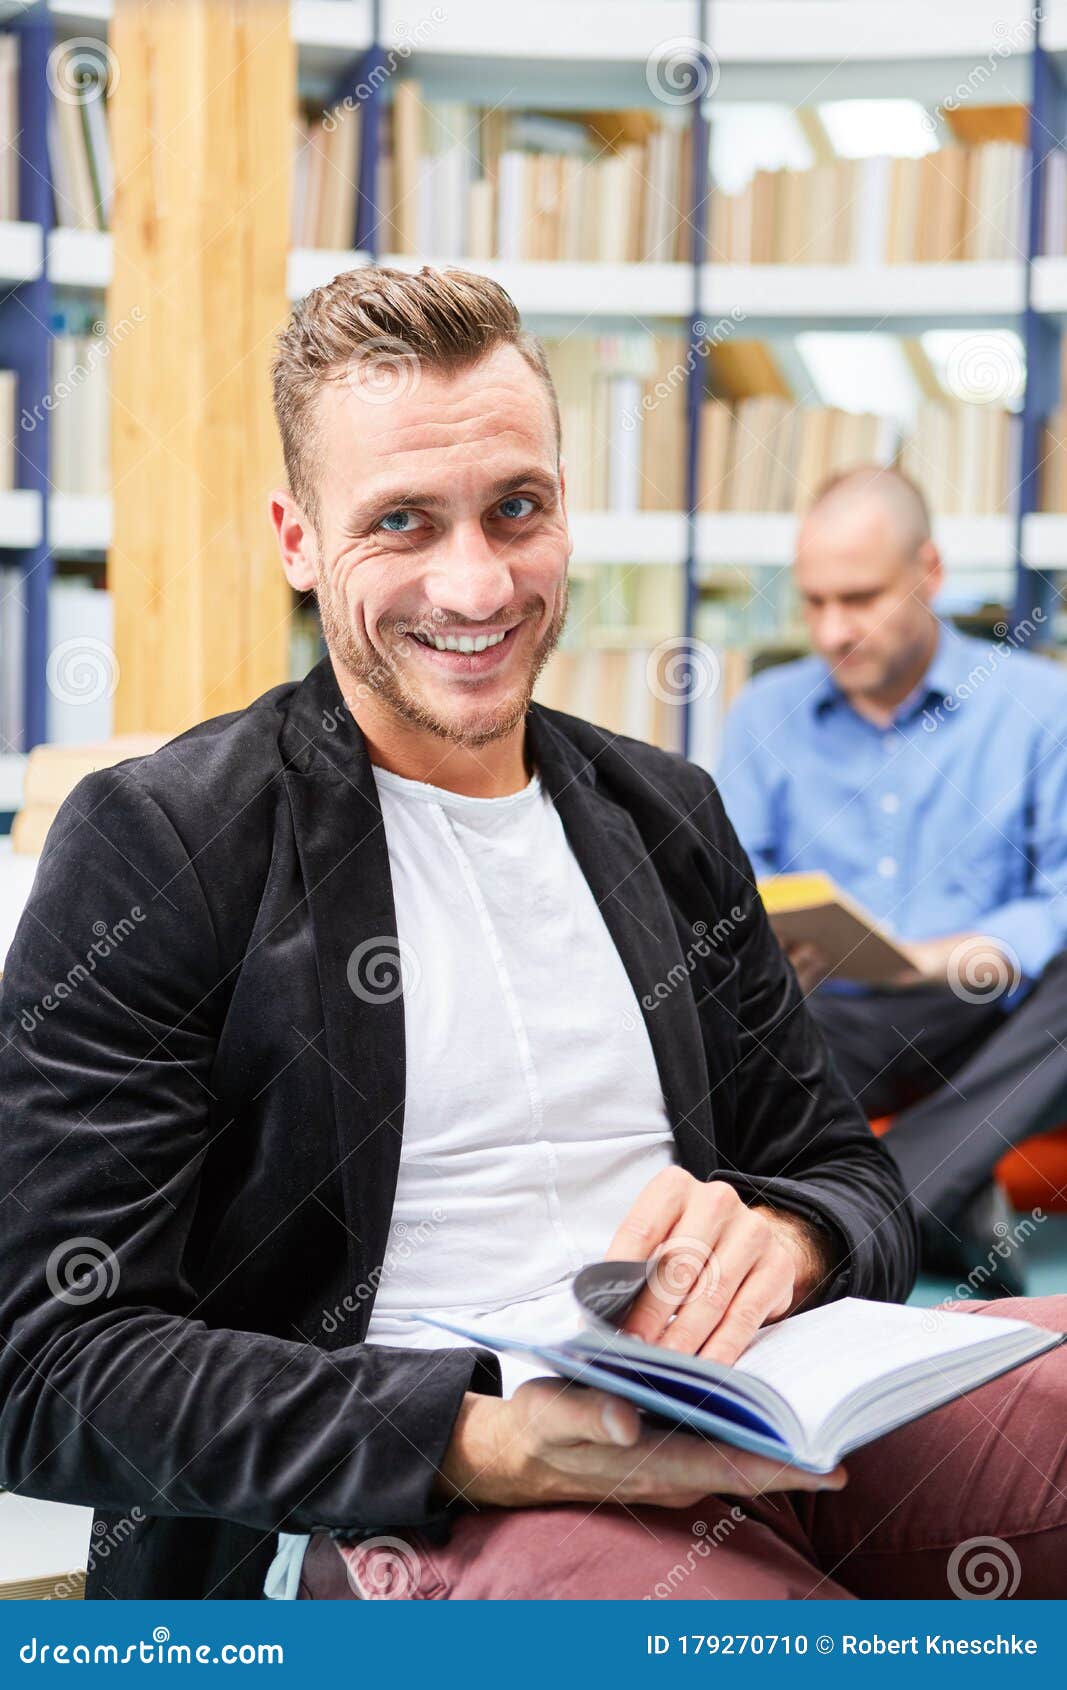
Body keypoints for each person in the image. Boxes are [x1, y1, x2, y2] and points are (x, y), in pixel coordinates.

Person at [0, 270, 1063, 1604]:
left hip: (756, 1410)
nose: (476, 580)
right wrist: (484, 1438)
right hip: (404, 1506)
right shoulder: (162, 846)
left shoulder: (659, 811)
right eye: (400, 520)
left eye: (517, 508)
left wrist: (786, 1239)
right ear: (296, 539)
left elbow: (840, 1175)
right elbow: (45, 1362)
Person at [717, 464, 1067, 1293]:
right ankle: (943, 1200)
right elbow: (730, 880)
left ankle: (868, 1224)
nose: (833, 630)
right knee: (716, 1040)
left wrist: (947, 954)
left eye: (861, 598)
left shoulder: (1040, 703)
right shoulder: (765, 711)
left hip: (992, 1009)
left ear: (929, 574)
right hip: (828, 1010)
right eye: (813, 603)